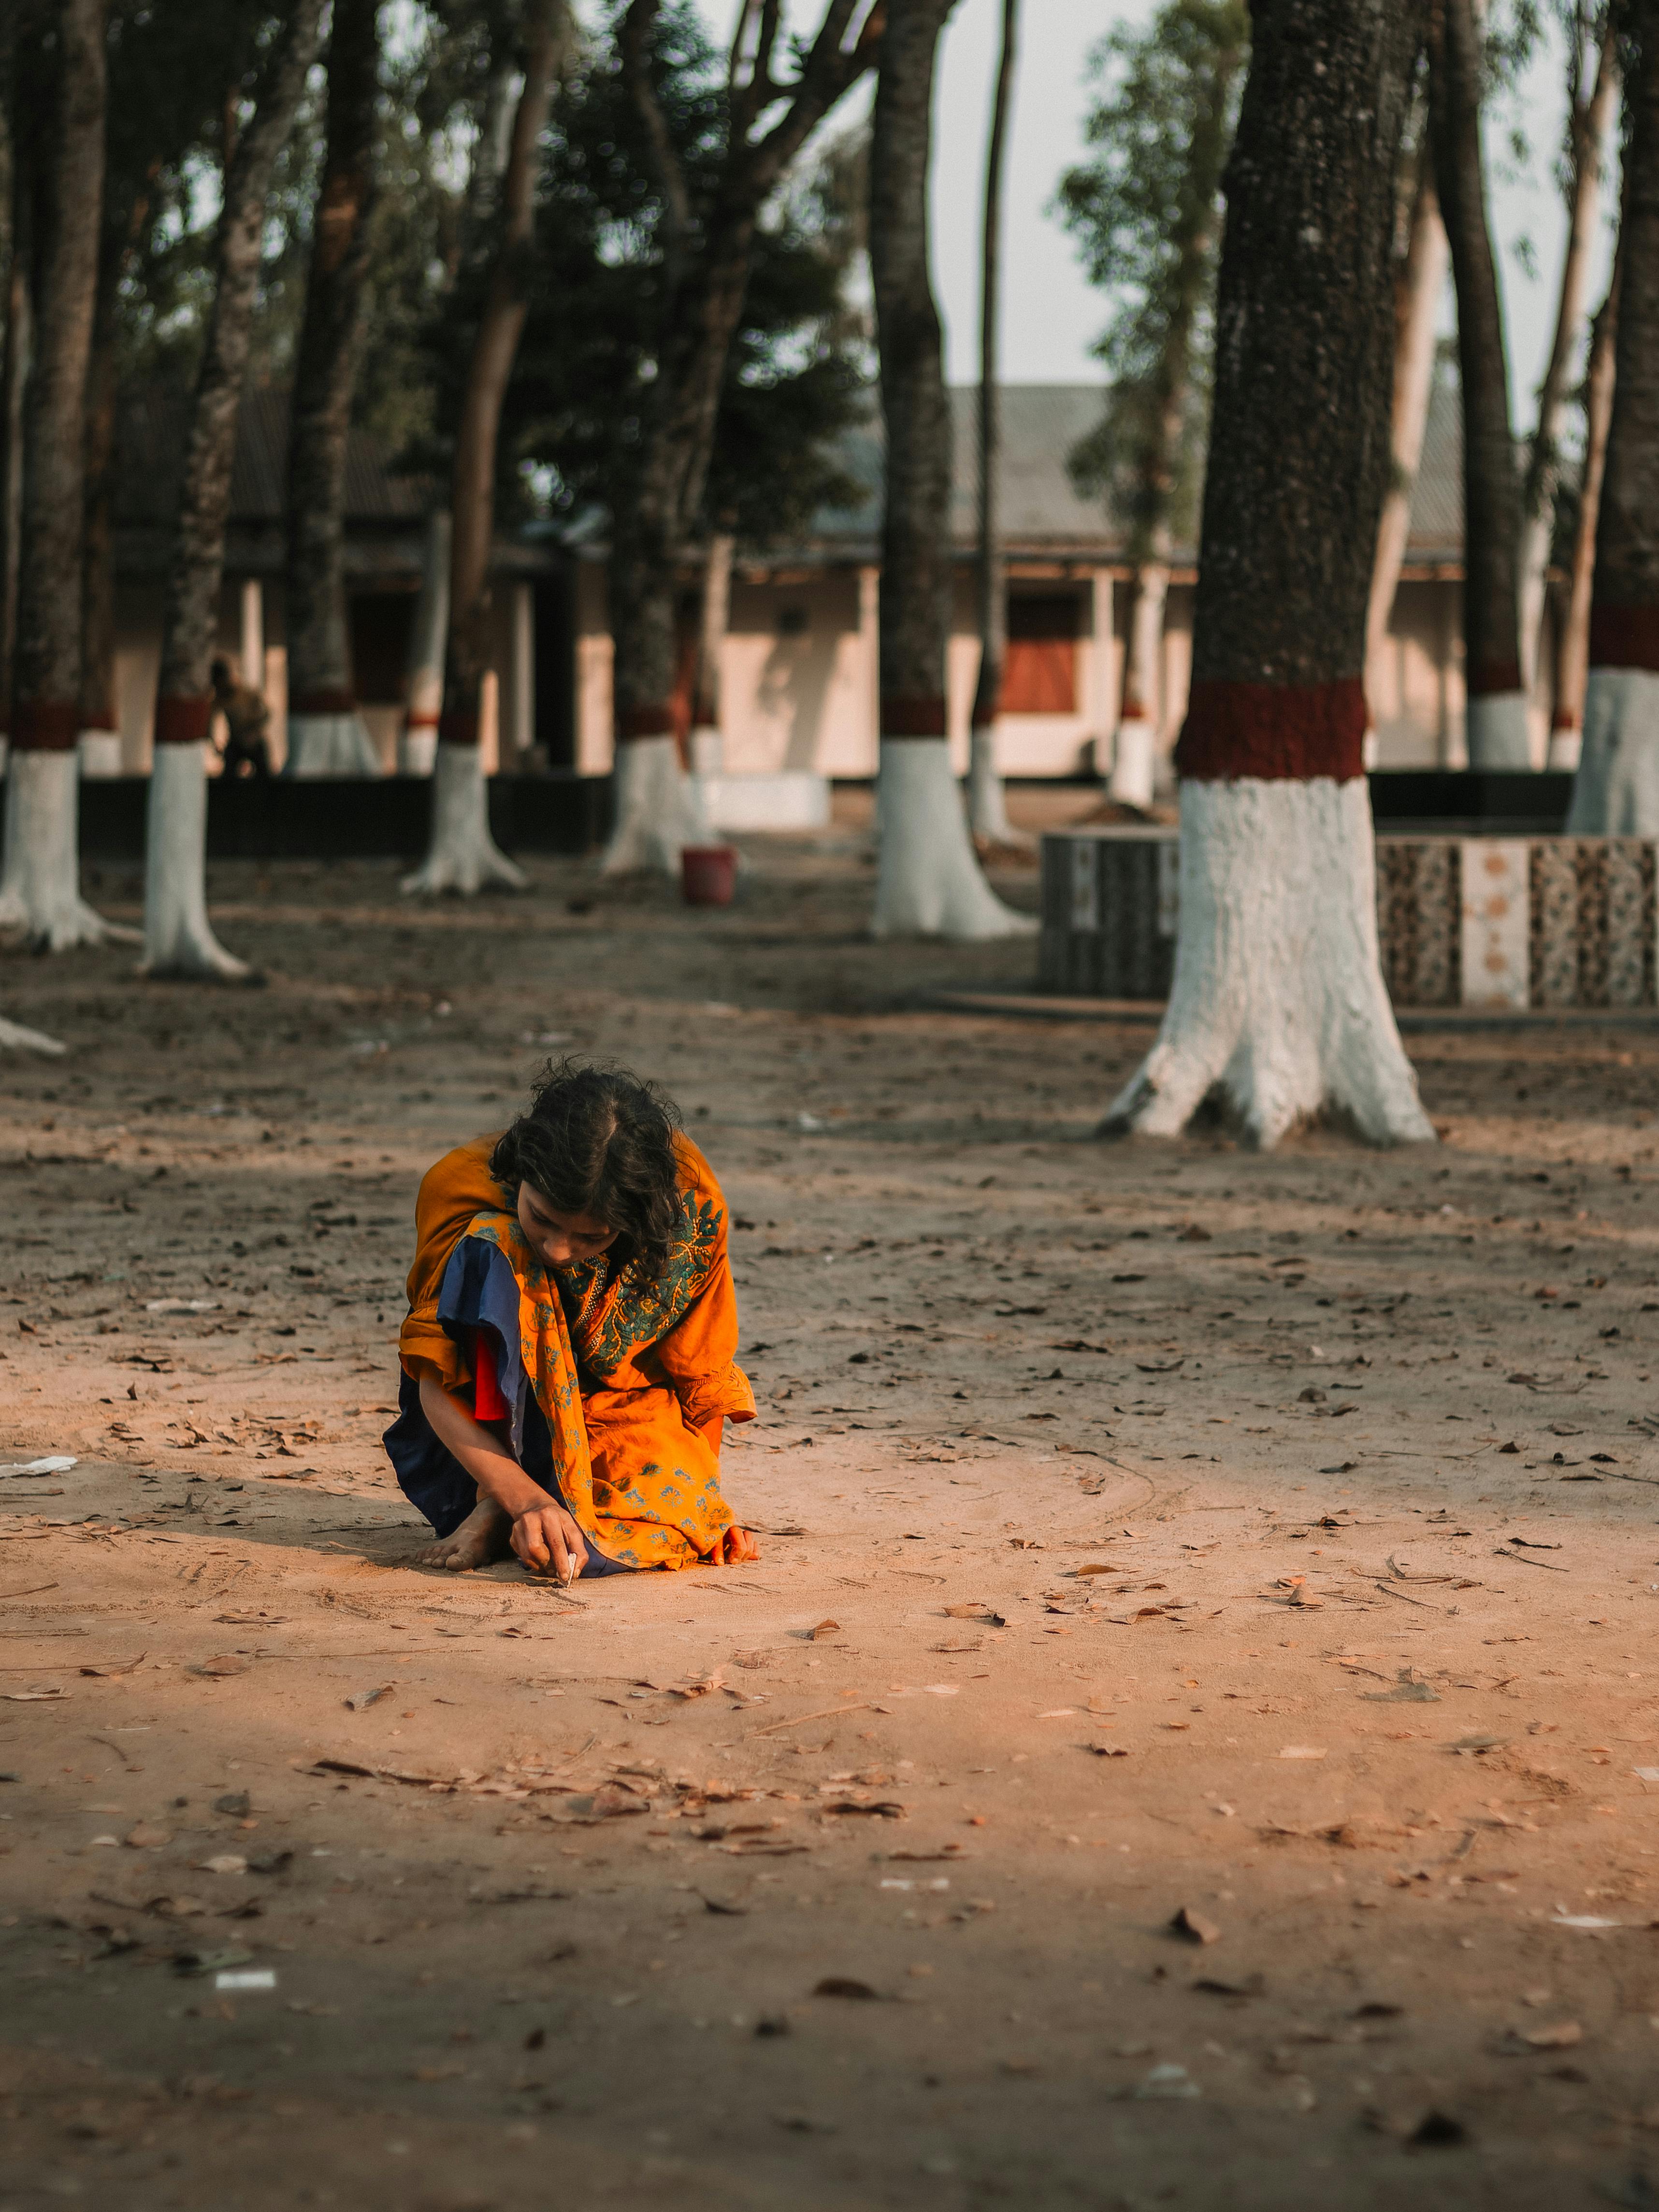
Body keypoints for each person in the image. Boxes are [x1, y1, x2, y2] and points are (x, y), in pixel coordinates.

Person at [384, 1059, 760, 1577]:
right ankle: (499, 1496)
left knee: (609, 1546)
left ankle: (506, 1512)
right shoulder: (458, 1186)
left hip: (620, 1425)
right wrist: (525, 1500)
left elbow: (698, 1370)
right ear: (523, 1171)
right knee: (493, 1241)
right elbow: (435, 1377)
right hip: (492, 1428)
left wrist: (703, 1500)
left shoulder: (689, 1209)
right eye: (542, 1217)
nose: (559, 1251)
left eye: (593, 1237)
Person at [211, 658, 271, 779]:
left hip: (254, 740)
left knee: (264, 777)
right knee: (228, 776)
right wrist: (215, 743)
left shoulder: (244, 692)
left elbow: (266, 712)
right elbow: (210, 721)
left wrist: (252, 726)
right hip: (236, 743)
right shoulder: (220, 698)